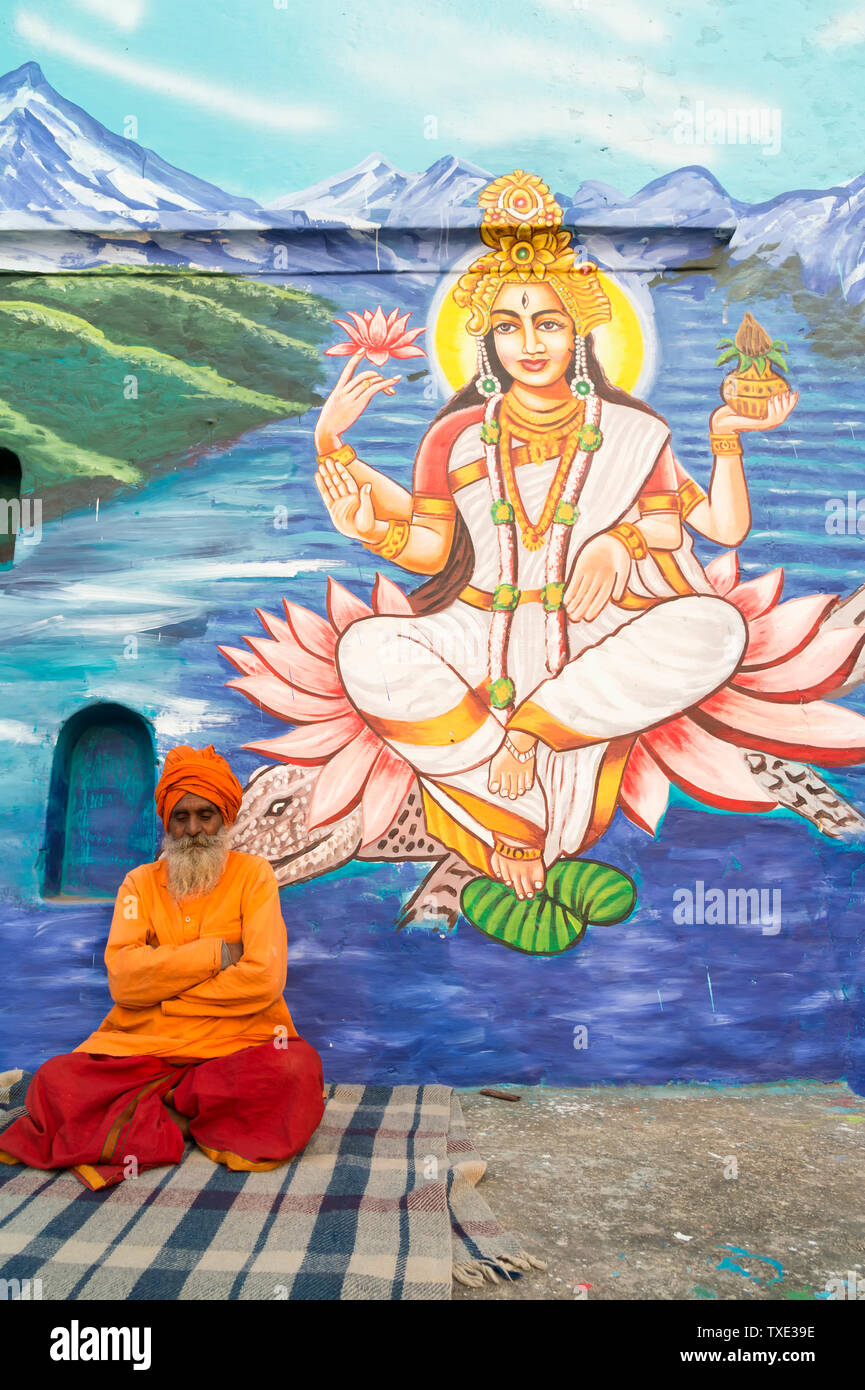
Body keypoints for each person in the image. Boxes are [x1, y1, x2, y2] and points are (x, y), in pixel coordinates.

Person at [312, 170, 806, 904]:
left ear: (579, 331)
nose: (528, 343)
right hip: (475, 627)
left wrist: (711, 452)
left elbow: (721, 529)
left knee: (714, 627)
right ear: (484, 339)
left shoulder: (632, 429)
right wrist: (373, 534)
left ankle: (528, 741)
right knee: (366, 648)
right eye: (507, 326)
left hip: (588, 642)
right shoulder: (454, 435)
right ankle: (507, 810)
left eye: (547, 323)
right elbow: (433, 551)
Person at [0, 744, 324, 1191]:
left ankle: (164, 1109)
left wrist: (166, 995)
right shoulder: (139, 884)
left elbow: (265, 978)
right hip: (144, 1046)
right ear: (167, 822)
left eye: (205, 815)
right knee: (56, 1082)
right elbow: (125, 980)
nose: (193, 829)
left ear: (225, 818)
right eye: (181, 817)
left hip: (236, 1044)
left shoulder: (254, 876)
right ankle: (183, 1109)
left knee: (295, 1069)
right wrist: (217, 954)